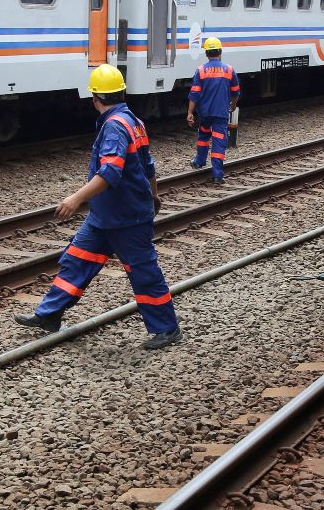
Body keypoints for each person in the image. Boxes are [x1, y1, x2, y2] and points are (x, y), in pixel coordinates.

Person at [14, 64, 182, 350]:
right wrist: (154, 195)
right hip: (106, 215)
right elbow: (148, 166)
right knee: (77, 260)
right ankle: (49, 315)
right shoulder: (133, 122)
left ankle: (167, 329)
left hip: (126, 218)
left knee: (144, 273)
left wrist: (76, 198)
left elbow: (110, 172)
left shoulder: (114, 127)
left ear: (95, 99)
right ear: (122, 93)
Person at [187, 36, 241, 184]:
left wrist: (190, 112)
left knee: (203, 136)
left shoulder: (200, 71)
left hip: (204, 113)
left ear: (206, 53)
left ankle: (199, 161)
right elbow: (235, 91)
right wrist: (233, 104)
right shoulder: (229, 70)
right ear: (220, 52)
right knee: (219, 141)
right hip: (221, 113)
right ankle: (217, 175)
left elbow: (195, 93)